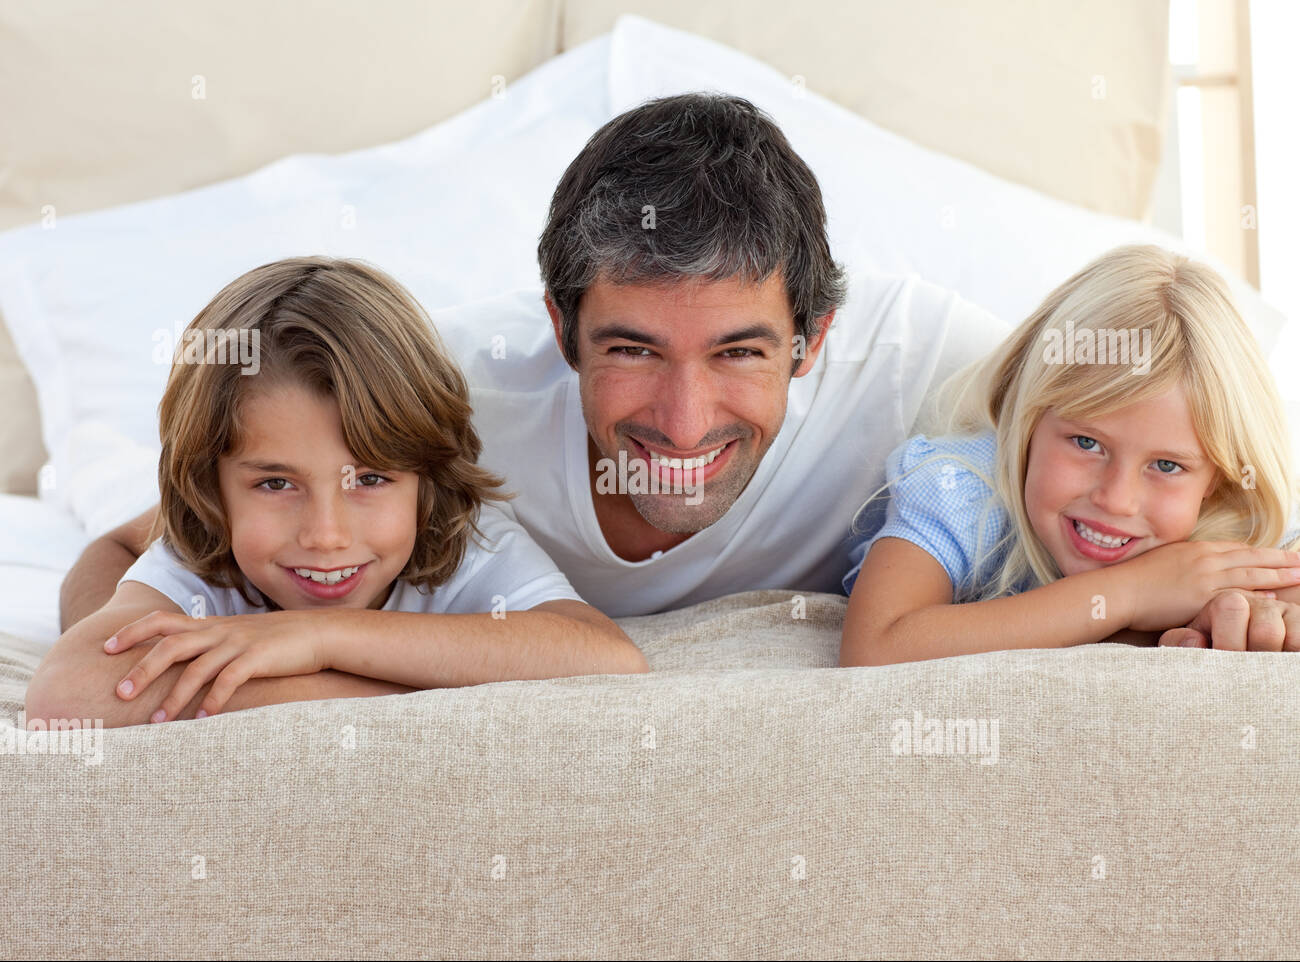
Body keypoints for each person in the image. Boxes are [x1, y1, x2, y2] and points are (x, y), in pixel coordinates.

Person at [56, 95, 1299, 718]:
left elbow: (1160, 436)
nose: (684, 417)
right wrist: (190, 650)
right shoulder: (426, 399)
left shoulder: (942, 365)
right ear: (558, 329)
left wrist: (1202, 590)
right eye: (633, 350)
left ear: (815, 337)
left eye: (743, 354)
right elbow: (130, 552)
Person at [25, 258, 647, 727]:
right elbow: (63, 697)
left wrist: (320, 640)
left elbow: (605, 657)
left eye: (371, 479)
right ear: (213, 492)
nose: (326, 535)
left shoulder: (465, 539)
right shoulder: (201, 562)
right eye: (275, 483)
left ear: (427, 482)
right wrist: (411, 684)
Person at [839, 245, 1300, 666]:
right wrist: (1130, 594)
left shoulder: (1234, 527)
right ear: (1029, 418)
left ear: (1217, 479)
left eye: (1166, 466)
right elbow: (875, 648)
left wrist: (1242, 614)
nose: (1117, 500)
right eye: (1087, 443)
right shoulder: (960, 488)